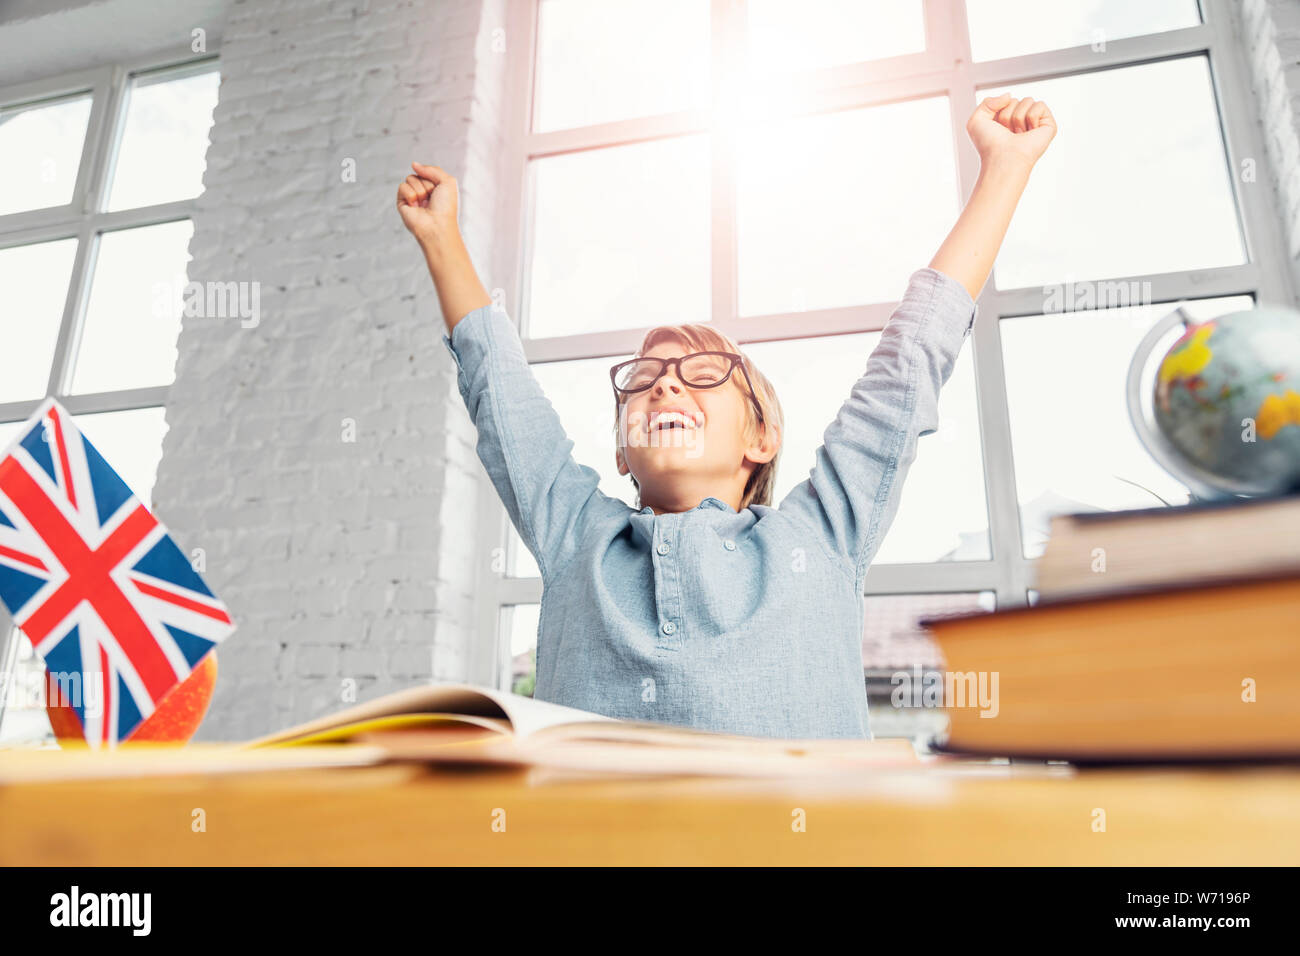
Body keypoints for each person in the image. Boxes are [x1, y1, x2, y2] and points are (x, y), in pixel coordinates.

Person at [397, 94, 1056, 738]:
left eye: (704, 374)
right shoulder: (576, 537)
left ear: (763, 436)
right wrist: (441, 238)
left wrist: (1004, 169)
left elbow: (911, 358)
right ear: (622, 454)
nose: (665, 388)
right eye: (645, 379)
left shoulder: (820, 537)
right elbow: (501, 392)